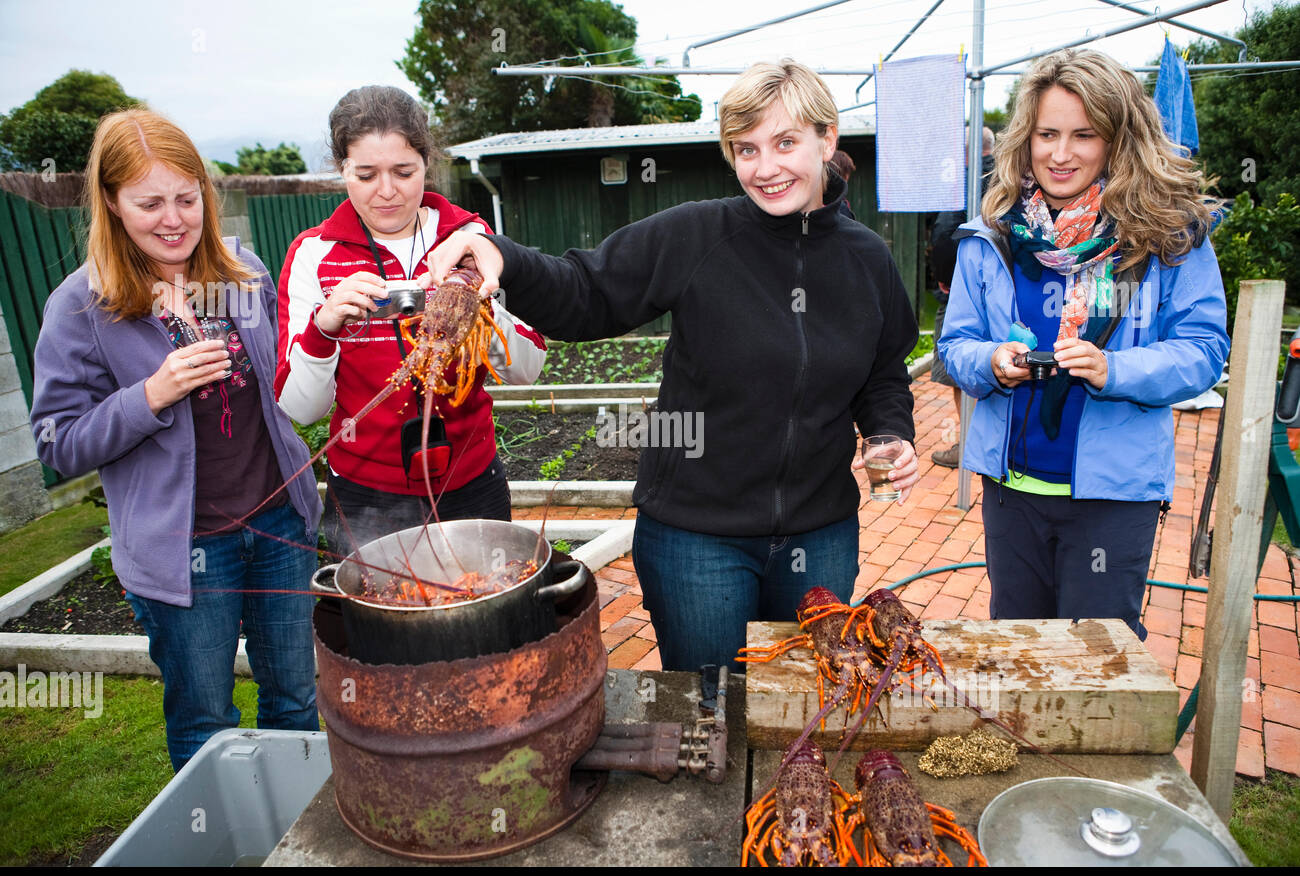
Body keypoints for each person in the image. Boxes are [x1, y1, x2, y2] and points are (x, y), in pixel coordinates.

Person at [426, 60, 920, 672]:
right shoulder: (696, 235)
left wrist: (892, 432)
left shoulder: (867, 260)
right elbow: (587, 291)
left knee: (804, 698)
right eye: (746, 149)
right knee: (709, 708)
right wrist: (502, 255)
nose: (765, 169)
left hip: (820, 536)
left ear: (828, 139)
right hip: (696, 539)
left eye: (786, 143)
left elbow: (883, 373)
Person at [30, 110, 323, 771]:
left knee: (297, 700)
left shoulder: (241, 271)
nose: (173, 219)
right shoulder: (80, 308)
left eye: (187, 198)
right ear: (110, 202)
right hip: (187, 551)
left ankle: (293, 837)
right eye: (149, 202)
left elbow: (281, 382)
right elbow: (57, 441)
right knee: (205, 722)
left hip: (279, 526)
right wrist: (150, 396)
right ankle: (217, 838)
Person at [937, 49, 1229, 640]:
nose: (1060, 153)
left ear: (1118, 141)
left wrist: (1112, 369)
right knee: (1018, 651)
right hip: (1012, 490)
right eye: (1047, 133)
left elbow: (1202, 350)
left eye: (1083, 135)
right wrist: (991, 361)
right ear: (1027, 137)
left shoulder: (1167, 237)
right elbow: (955, 346)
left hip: (1112, 499)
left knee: (1099, 657)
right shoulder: (990, 237)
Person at [276, 85, 546, 553]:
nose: (387, 191)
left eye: (404, 171)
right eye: (365, 174)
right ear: (342, 169)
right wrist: (325, 327)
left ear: (426, 163)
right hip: (364, 493)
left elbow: (527, 369)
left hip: (472, 480)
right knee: (381, 618)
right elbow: (301, 409)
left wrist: (479, 303)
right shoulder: (311, 255)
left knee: (481, 616)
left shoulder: (471, 239)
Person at [927, 125, 994, 468]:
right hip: (997, 292)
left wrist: (943, 277)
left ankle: (967, 444)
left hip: (962, 291)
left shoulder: (964, 182)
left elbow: (945, 232)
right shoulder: (1006, 180)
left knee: (959, 366)